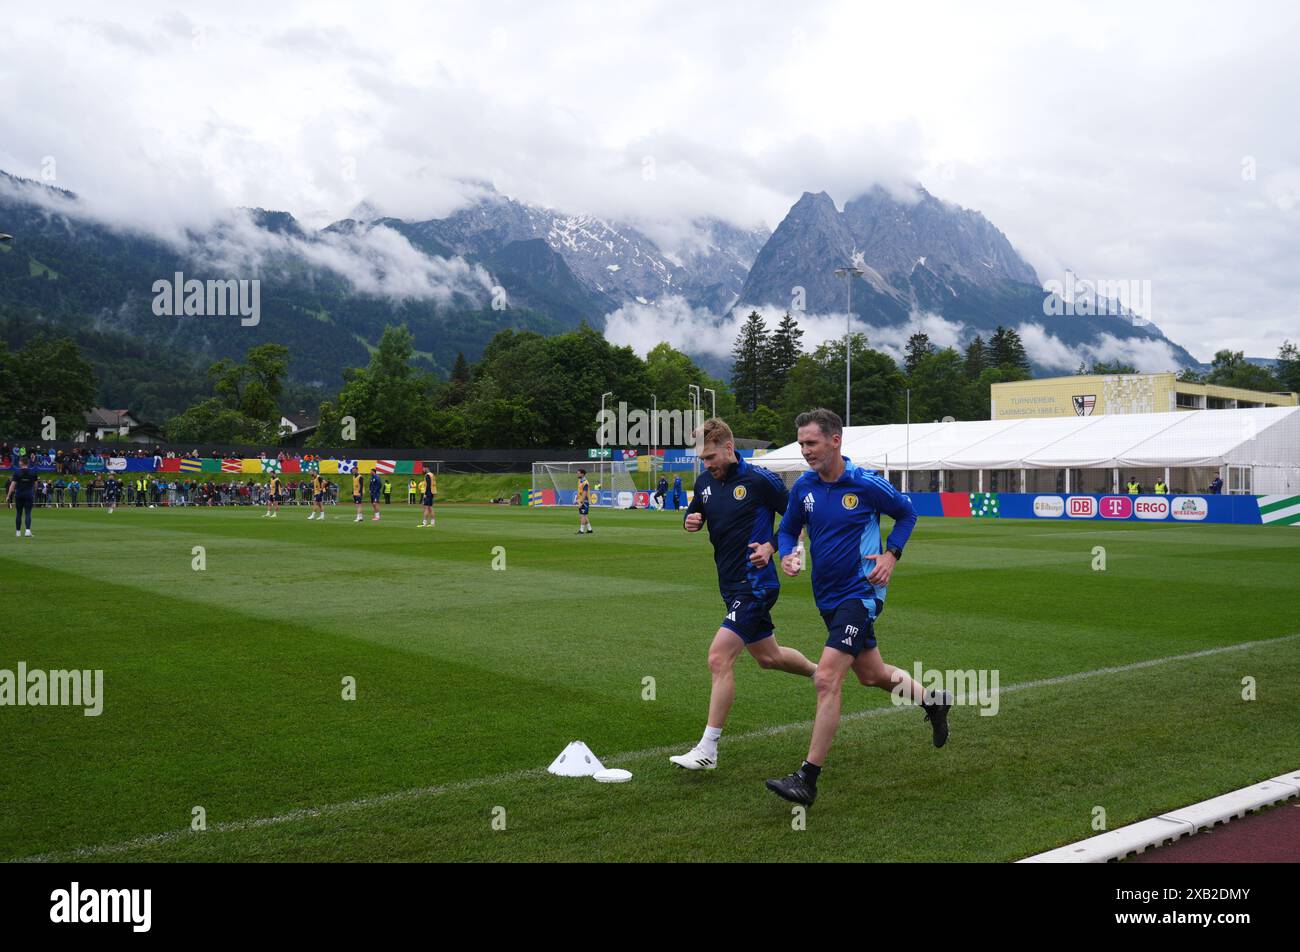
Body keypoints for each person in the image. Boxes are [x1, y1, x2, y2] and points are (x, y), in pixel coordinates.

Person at [765, 408, 951, 807]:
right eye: (801, 444)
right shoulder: (803, 488)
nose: (805, 451)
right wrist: (787, 554)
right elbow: (787, 529)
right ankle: (932, 700)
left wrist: (890, 555)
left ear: (835, 440)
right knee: (871, 674)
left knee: (826, 678)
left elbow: (906, 513)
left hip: (860, 594)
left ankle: (807, 779)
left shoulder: (865, 483)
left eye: (811, 442)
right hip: (827, 597)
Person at [669, 418, 817, 771]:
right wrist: (691, 521)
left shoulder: (760, 480)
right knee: (770, 657)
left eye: (710, 457)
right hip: (729, 584)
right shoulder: (705, 481)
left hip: (756, 584)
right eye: (702, 459)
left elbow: (799, 517)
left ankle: (708, 749)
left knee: (719, 658)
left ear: (729, 449)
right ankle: (820, 673)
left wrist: (772, 546)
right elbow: (697, 512)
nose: (706, 465)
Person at [6, 456, 38, 537]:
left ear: (21, 462)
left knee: (19, 513)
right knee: (28, 513)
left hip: (19, 494)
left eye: (20, 461)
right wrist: (34, 491)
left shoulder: (17, 472)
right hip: (28, 494)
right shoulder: (33, 472)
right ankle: (27, 531)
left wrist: (8, 495)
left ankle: (18, 532)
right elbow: (36, 484)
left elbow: (12, 485)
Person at [576, 468, 593, 534]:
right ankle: (589, 529)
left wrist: (581, 502)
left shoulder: (585, 482)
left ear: (582, 474)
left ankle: (581, 530)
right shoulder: (580, 481)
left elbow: (584, 492)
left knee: (582, 515)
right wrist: (577, 499)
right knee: (584, 515)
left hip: (584, 501)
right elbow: (579, 491)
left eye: (578, 473)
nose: (577, 474)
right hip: (581, 500)